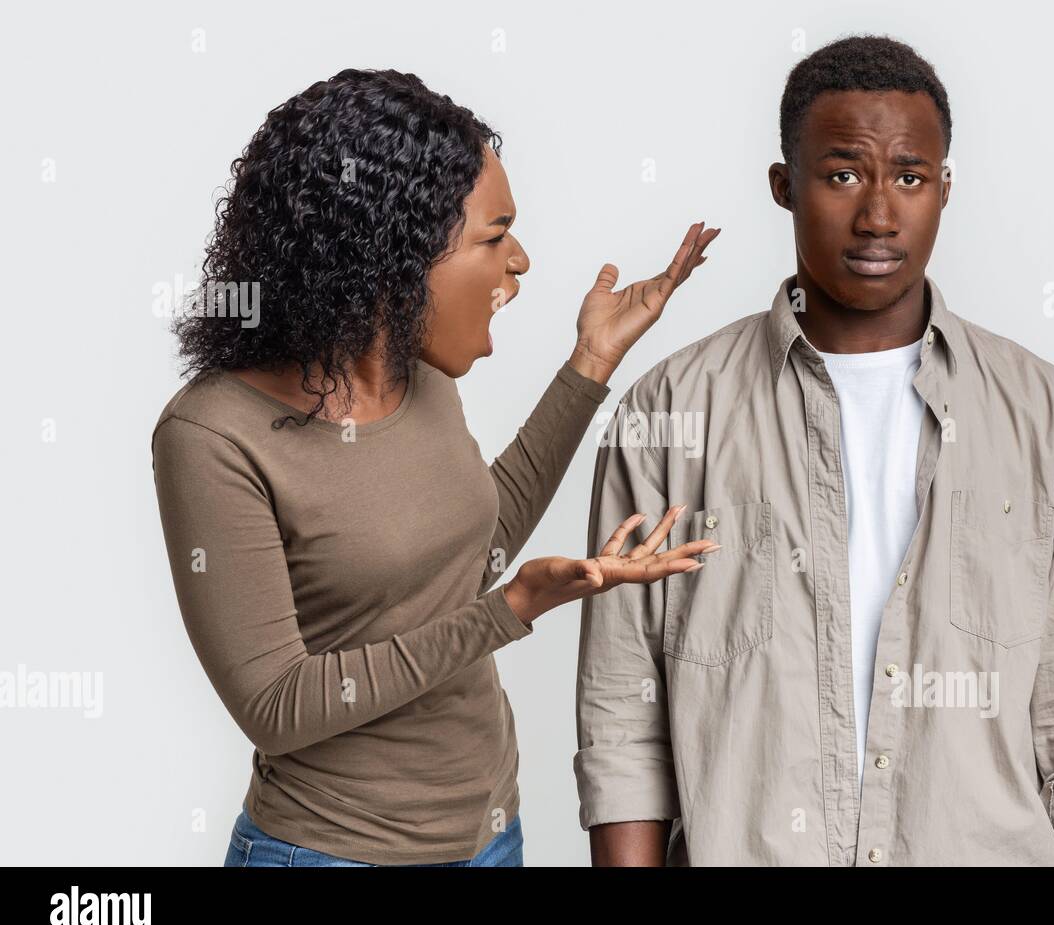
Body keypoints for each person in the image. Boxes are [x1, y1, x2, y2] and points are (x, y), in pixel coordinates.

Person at [575, 35, 1054, 866]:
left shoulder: (1048, 418)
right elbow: (623, 727)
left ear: (944, 188)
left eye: (911, 177)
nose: (879, 214)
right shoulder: (669, 413)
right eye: (843, 174)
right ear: (784, 187)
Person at [151, 68, 719, 867]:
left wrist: (591, 361)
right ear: (391, 254)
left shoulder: (421, 380)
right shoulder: (213, 436)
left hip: (489, 837)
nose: (519, 261)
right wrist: (510, 610)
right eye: (493, 236)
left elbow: (475, 543)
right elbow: (276, 704)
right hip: (331, 855)